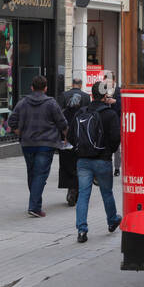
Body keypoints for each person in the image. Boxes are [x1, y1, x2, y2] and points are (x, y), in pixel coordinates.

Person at [8, 74, 68, 217]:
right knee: (40, 175)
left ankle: (35, 204)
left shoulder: (22, 103)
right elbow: (62, 123)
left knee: (32, 173)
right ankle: (34, 206)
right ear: (45, 88)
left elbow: (12, 121)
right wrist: (66, 137)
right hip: (46, 144)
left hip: (27, 143)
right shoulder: (51, 103)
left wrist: (20, 133)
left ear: (32, 87)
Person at [71, 79, 121, 243]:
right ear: (105, 96)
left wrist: (80, 149)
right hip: (102, 160)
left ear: (92, 95)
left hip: (83, 160)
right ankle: (112, 220)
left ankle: (81, 230)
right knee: (106, 192)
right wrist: (109, 152)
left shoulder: (82, 112)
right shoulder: (110, 114)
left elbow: (71, 135)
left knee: (83, 195)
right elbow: (115, 138)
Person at [57, 76, 91, 206]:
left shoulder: (63, 95)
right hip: (80, 135)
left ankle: (70, 188)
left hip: (66, 135)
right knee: (80, 163)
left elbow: (58, 114)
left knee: (66, 162)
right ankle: (76, 189)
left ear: (72, 84)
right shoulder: (86, 97)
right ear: (81, 85)